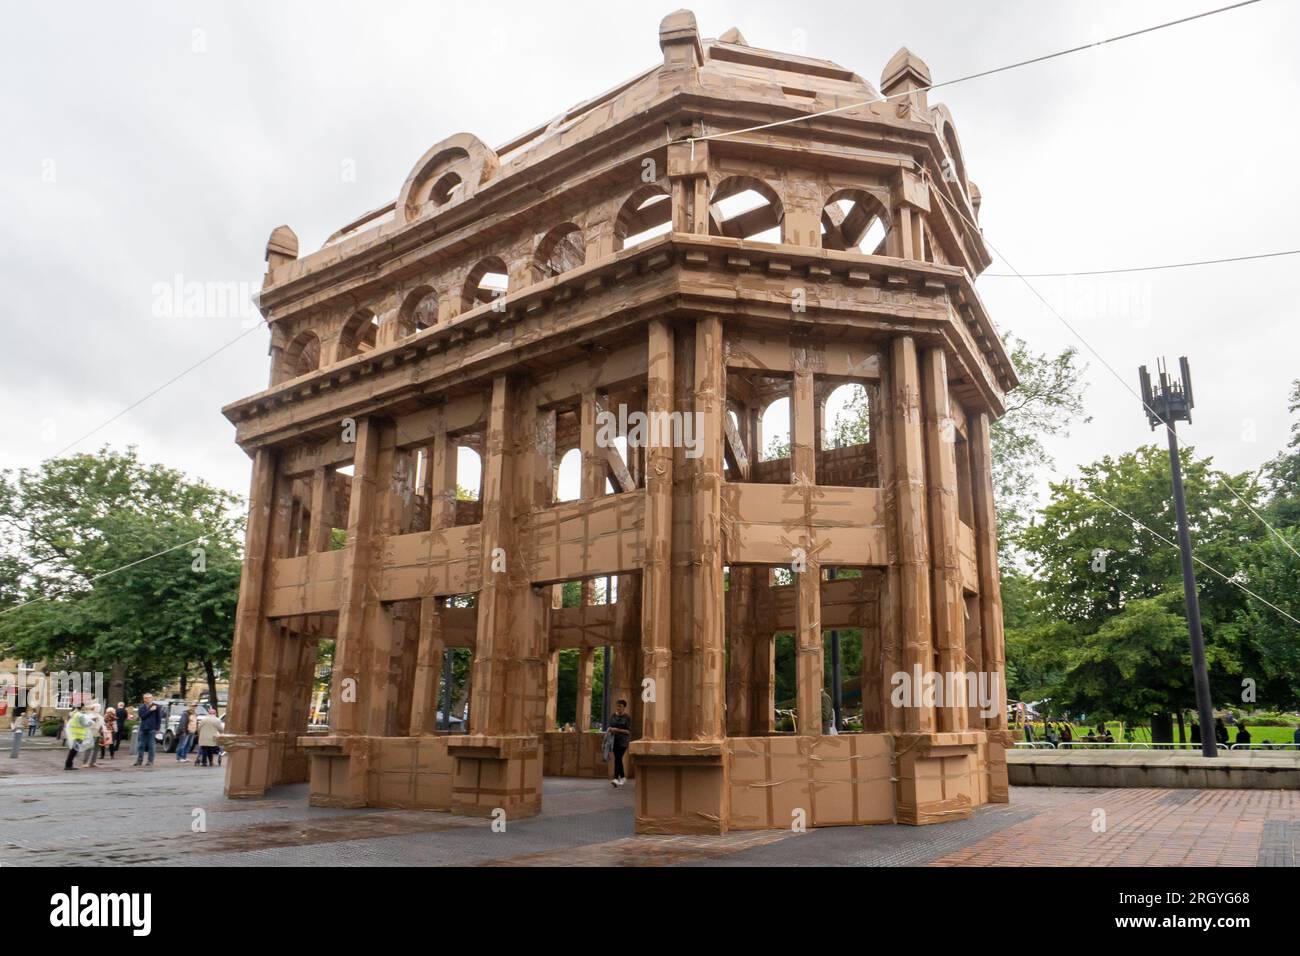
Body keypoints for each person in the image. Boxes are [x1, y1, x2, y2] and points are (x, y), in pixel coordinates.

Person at [607, 698, 632, 788]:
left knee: (618, 758)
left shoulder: (627, 717)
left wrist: (617, 730)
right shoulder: (613, 716)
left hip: (623, 742)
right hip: (614, 741)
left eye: (620, 706)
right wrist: (610, 729)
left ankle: (615, 778)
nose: (618, 708)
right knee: (618, 759)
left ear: (624, 708)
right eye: (617, 706)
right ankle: (623, 777)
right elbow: (610, 726)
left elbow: (628, 731)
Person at [134, 693, 164, 767]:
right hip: (143, 728)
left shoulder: (157, 706)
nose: (148, 699)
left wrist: (157, 728)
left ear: (152, 698)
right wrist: (150, 710)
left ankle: (150, 761)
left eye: (149, 697)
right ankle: (139, 761)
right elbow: (142, 716)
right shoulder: (141, 707)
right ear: (144, 699)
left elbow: (158, 718)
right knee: (141, 745)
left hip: (152, 728)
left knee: (151, 745)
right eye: (146, 698)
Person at [64, 705, 91, 770]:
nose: (85, 709)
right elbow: (84, 724)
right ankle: (68, 765)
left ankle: (68, 764)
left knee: (73, 751)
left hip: (76, 735)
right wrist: (92, 722)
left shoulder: (75, 715)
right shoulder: (79, 715)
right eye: (84, 708)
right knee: (74, 751)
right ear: (81, 708)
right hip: (79, 735)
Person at [80, 703, 106, 768]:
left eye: (99, 707)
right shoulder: (89, 716)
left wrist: (102, 730)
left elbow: (103, 725)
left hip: (98, 734)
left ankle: (93, 762)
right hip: (91, 734)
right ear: (93, 708)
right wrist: (92, 720)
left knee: (96, 749)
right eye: (97, 707)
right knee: (89, 748)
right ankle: (85, 762)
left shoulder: (100, 716)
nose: (98, 709)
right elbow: (86, 725)